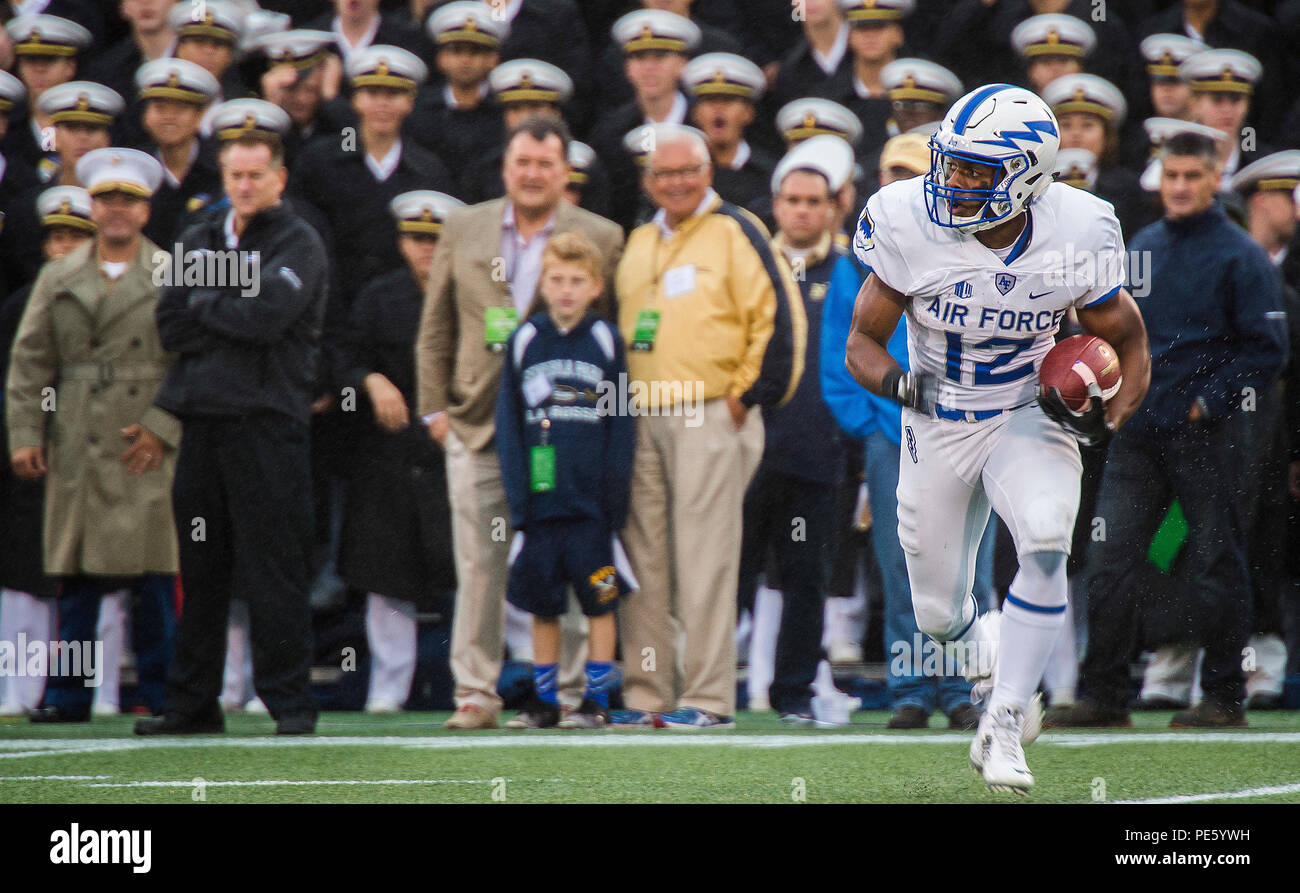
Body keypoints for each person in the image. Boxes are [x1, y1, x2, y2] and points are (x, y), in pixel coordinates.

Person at [844, 85, 1150, 791]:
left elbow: (1130, 343)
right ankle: (983, 641)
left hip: (1026, 409)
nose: (953, 181)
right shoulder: (906, 219)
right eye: (951, 164)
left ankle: (1006, 718)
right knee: (938, 614)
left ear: (1027, 175)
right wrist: (905, 389)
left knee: (1045, 540)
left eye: (978, 171)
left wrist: (1105, 419)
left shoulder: (1077, 230)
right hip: (936, 415)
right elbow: (862, 343)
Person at [1044, 131, 1286, 732]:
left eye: (1191, 177)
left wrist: (1209, 402)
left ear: (1214, 180)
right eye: (1171, 176)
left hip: (1213, 436)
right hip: (1137, 432)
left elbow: (1268, 350)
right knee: (1110, 560)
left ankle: (1225, 697)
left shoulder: (1241, 256)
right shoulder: (1140, 245)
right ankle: (1104, 696)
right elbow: (1111, 336)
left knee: (1214, 563)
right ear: (1160, 180)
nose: (1179, 186)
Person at [415, 115, 624, 730]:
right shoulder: (462, 224)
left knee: (581, 569)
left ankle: (571, 696)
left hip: (573, 438)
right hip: (478, 427)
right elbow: (435, 329)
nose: (533, 175)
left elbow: (608, 341)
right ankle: (476, 692)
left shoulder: (603, 235)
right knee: (480, 566)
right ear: (506, 167)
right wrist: (434, 412)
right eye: (522, 163)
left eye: (545, 165)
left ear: (566, 171)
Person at [137, 127, 328, 736]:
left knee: (273, 567)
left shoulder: (299, 242)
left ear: (279, 178)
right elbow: (170, 324)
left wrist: (205, 302)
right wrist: (218, 309)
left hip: (266, 426)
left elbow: (268, 316)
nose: (244, 186)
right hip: (201, 424)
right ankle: (192, 705)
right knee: (200, 570)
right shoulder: (197, 235)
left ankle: (290, 703)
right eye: (234, 176)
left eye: (255, 174)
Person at [613, 124, 806, 728]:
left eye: (686, 171)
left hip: (709, 412)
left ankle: (707, 698)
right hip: (640, 413)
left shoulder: (737, 230)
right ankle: (647, 696)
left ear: (707, 172)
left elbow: (778, 321)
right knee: (642, 563)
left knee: (706, 560)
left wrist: (747, 398)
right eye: (663, 174)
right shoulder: (639, 240)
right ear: (648, 180)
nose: (675, 183)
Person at [823, 133, 998, 731]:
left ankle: (969, 687)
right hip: (892, 431)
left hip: (972, 426)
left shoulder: (980, 248)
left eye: (910, 172)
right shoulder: (860, 259)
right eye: (889, 171)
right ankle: (910, 687)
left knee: (973, 562)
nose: (896, 182)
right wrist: (883, 420)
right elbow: (840, 358)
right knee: (902, 564)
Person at [7, 149, 180, 723]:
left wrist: (161, 425)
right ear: (91, 206)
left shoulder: (170, 273)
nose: (115, 211)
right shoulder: (60, 276)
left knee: (152, 579)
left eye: (127, 200)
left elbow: (190, 358)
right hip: (78, 429)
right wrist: (27, 432)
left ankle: (162, 695)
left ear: (145, 210)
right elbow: (31, 361)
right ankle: (68, 696)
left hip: (141, 437)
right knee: (76, 580)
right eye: (106, 199)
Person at [495, 231, 636, 730]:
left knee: (600, 602)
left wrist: (614, 502)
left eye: (578, 281)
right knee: (543, 604)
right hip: (540, 505)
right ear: (542, 282)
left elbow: (621, 423)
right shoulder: (526, 339)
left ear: (596, 286)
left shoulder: (605, 340)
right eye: (556, 279)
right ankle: (545, 700)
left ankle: (595, 701)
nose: (567, 290)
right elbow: (509, 426)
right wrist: (518, 500)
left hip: (592, 509)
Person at [736, 136, 854, 725]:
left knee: (807, 580)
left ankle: (794, 693)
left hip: (819, 453)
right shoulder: (752, 264)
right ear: (775, 205)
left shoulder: (858, 271)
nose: (803, 210)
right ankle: (705, 688)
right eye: (792, 200)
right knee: (729, 572)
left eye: (814, 201)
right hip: (749, 450)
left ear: (834, 206)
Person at [334, 189, 462, 713]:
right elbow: (341, 354)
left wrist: (459, 409)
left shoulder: (470, 292)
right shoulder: (379, 295)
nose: (425, 248)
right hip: (389, 452)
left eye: (435, 238)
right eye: (415, 237)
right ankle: (388, 688)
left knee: (468, 571)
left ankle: (466, 686)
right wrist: (369, 381)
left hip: (454, 449)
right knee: (386, 575)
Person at [0, 184, 95, 716]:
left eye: (76, 237)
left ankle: (93, 691)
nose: (64, 248)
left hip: (93, 449)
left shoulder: (110, 294)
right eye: (57, 237)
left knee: (93, 571)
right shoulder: (20, 305)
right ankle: (18, 688)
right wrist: (23, 437)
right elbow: (15, 380)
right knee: (23, 573)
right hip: (32, 454)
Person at [134, 58, 222, 245]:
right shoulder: (133, 169)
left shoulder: (222, 168)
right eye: (160, 108)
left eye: (181, 109)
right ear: (145, 116)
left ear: (199, 117)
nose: (169, 118)